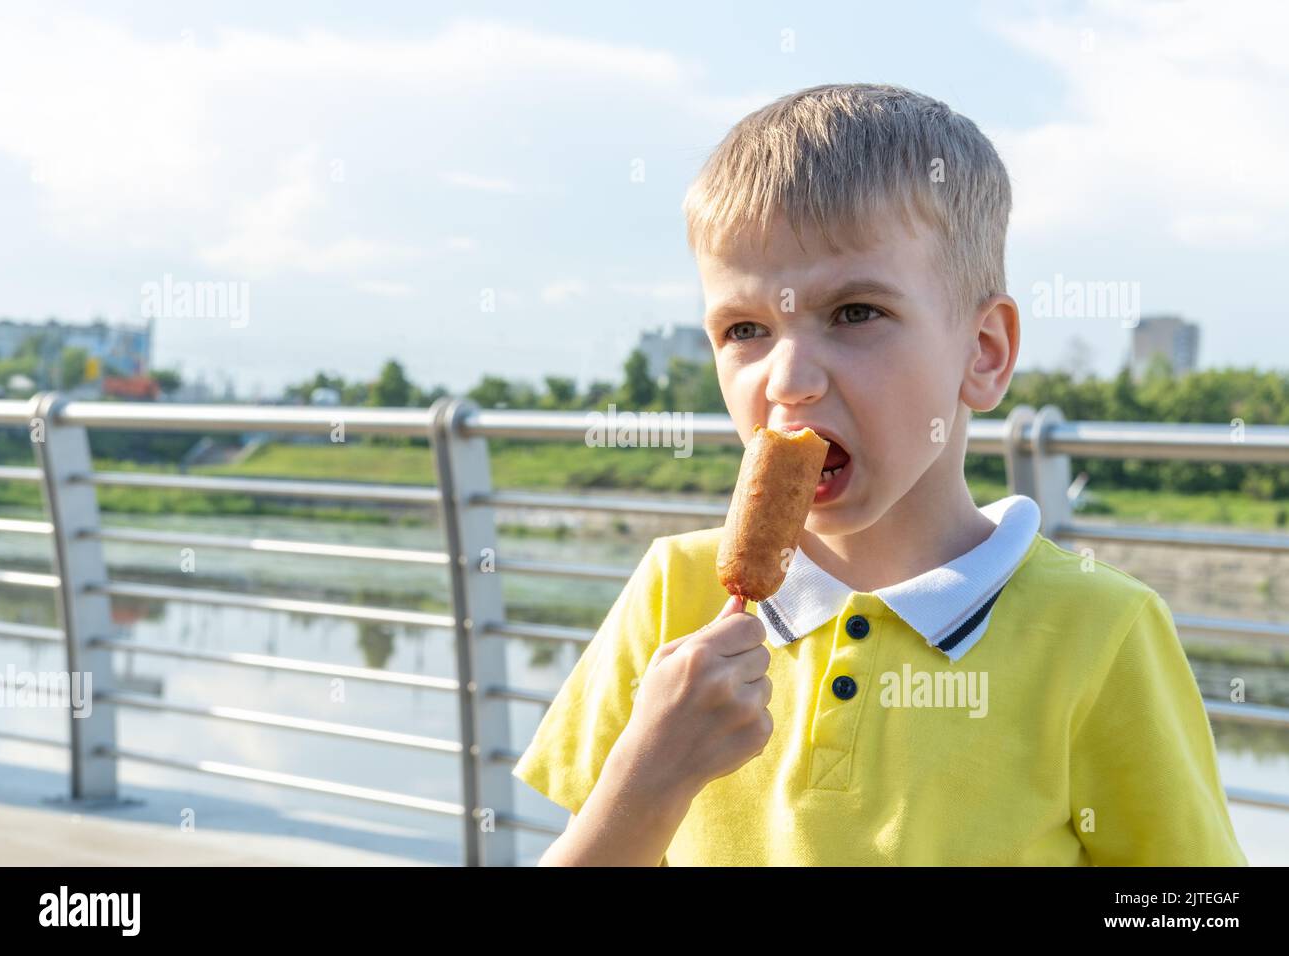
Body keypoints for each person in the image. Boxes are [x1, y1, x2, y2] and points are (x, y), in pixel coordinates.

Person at [512, 83, 1247, 866]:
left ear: (984, 352)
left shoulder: (1100, 630)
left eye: (856, 313)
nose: (788, 378)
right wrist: (647, 779)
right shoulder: (674, 594)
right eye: (745, 329)